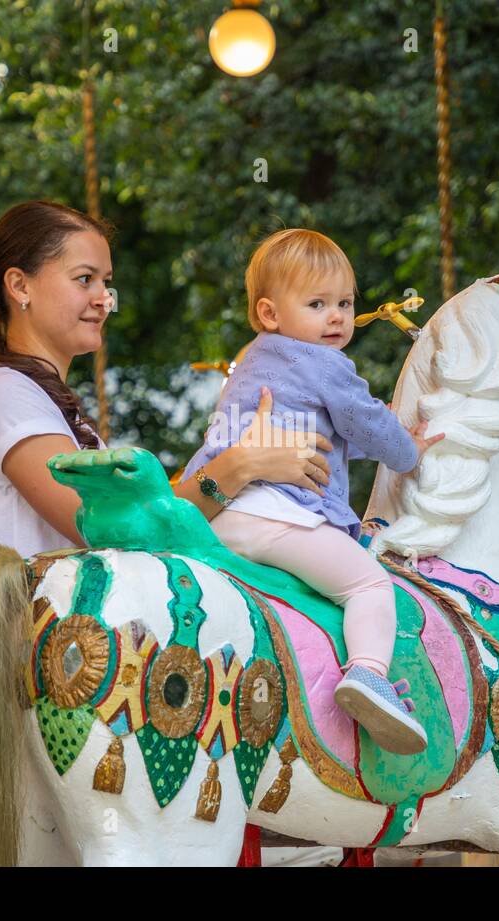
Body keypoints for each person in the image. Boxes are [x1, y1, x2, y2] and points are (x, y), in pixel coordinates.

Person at [0, 200, 334, 595]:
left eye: (106, 281)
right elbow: (110, 526)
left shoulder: (44, 401)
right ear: (20, 285)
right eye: (85, 279)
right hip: (20, 646)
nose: (104, 298)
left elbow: (149, 515)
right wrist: (242, 464)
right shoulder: (2, 392)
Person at [181, 229, 443, 754]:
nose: (337, 317)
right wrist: (408, 450)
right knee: (368, 586)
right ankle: (368, 676)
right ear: (271, 313)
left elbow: (330, 437)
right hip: (277, 511)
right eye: (318, 304)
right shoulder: (324, 364)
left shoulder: (254, 359)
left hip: (222, 512)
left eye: (345, 303)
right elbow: (367, 422)